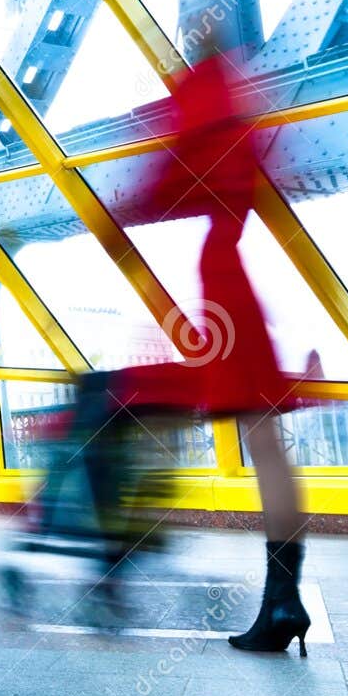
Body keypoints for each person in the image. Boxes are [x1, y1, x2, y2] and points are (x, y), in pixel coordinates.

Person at [118, 49, 309, 655]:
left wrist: (149, 130)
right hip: (234, 282)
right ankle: (283, 599)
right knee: (268, 445)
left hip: (222, 280)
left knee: (263, 442)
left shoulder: (202, 110)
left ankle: (282, 603)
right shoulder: (241, 119)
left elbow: (154, 193)